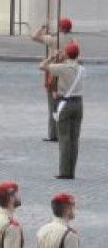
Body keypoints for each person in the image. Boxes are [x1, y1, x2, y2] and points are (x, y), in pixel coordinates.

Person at [41, 42, 84, 179]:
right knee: (74, 139)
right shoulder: (81, 69)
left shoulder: (62, 68)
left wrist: (52, 57)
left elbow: (42, 66)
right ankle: (72, 170)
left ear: (66, 53)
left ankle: (65, 172)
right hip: (79, 103)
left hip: (65, 103)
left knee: (64, 138)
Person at [31, 17, 72, 142]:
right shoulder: (72, 40)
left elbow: (34, 36)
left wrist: (43, 26)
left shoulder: (54, 39)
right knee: (64, 103)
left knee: (53, 106)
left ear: (61, 28)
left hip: (54, 73)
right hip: (67, 73)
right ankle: (65, 132)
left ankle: (53, 133)